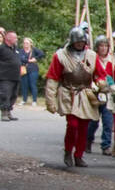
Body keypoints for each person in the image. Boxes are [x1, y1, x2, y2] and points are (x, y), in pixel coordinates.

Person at [44, 26, 109, 167]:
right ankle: (68, 151)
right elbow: (53, 78)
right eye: (77, 42)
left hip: (86, 94)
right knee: (73, 125)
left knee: (84, 127)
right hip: (69, 93)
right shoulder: (61, 56)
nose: (79, 44)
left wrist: (101, 85)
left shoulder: (91, 55)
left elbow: (100, 74)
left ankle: (79, 155)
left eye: (82, 41)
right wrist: (50, 100)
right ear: (72, 42)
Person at [0, 29, 21, 121]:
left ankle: (9, 112)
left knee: (14, 95)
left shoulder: (15, 49)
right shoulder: (2, 48)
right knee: (5, 95)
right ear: (8, 38)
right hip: (5, 76)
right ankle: (4, 112)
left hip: (16, 76)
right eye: (15, 37)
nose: (16, 39)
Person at [19, 37, 43, 106]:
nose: (25, 44)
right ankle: (24, 100)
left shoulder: (34, 50)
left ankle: (34, 100)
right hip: (24, 70)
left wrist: (35, 58)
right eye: (24, 43)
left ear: (30, 44)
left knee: (33, 85)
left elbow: (41, 54)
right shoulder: (21, 51)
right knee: (24, 85)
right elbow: (20, 58)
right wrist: (29, 60)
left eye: (27, 43)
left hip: (33, 70)